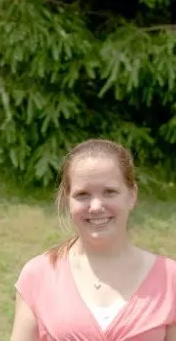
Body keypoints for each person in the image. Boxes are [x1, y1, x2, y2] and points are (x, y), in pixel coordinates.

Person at [10, 138, 176, 341]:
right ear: (68, 200)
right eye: (82, 194)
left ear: (132, 195)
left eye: (109, 192)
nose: (96, 206)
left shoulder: (170, 280)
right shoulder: (37, 276)